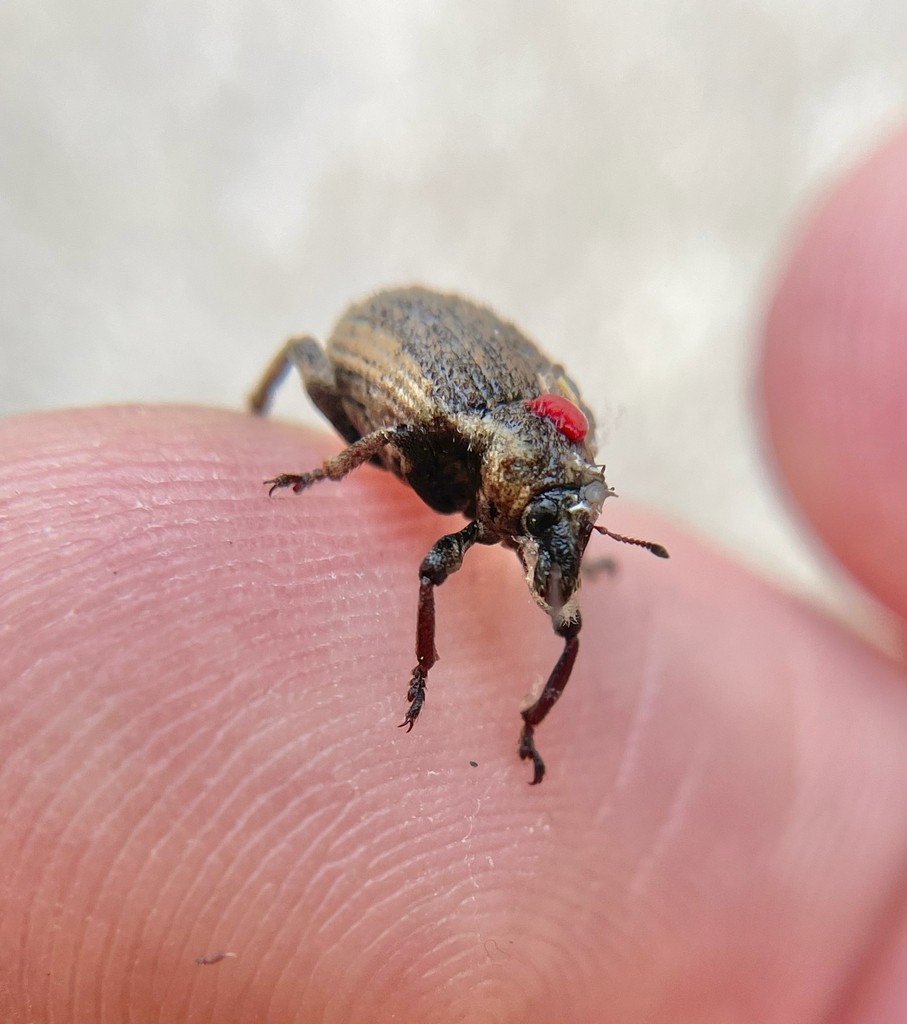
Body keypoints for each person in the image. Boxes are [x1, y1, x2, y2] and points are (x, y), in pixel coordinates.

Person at [1, 128, 904, 1023]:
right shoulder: (456, 456)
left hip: (494, 410)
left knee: (570, 621)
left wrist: (564, 562)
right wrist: (324, 472)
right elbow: (392, 436)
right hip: (392, 347)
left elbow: (557, 498)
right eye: (558, 531)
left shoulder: (554, 461)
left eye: (576, 529)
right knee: (328, 395)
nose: (562, 554)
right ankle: (308, 501)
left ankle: (527, 727)